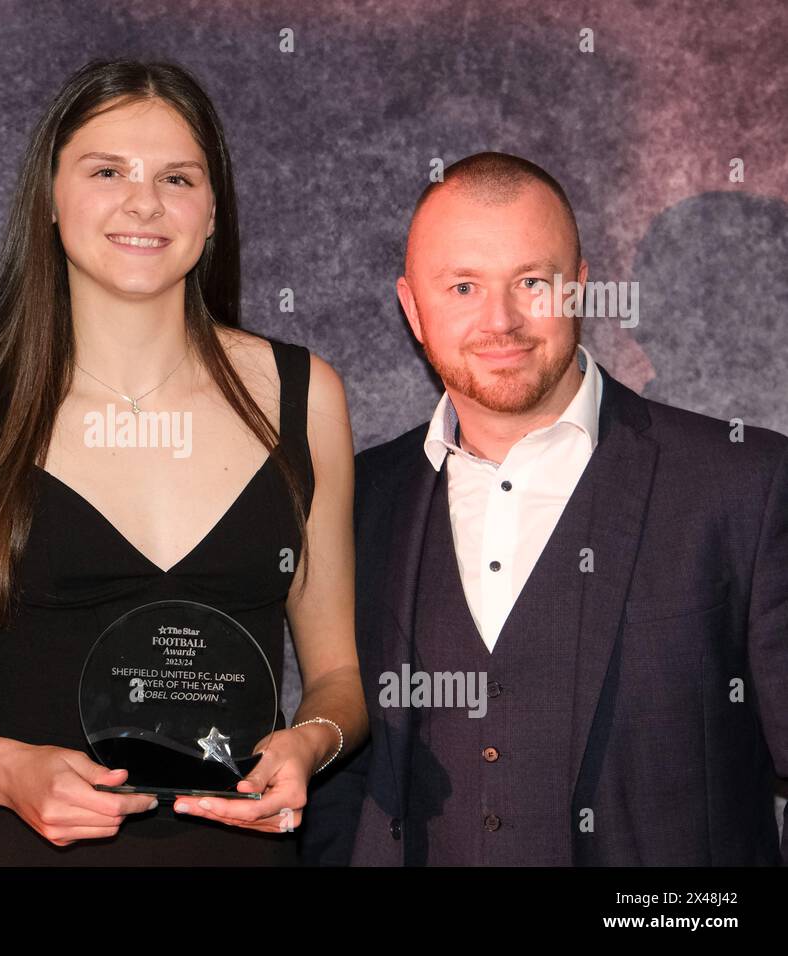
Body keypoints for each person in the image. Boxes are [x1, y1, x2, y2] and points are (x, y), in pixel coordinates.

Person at [0, 59, 366, 865]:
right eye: (106, 171)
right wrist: (3, 769)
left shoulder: (303, 398)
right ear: (51, 201)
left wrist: (310, 743)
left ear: (211, 214)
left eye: (177, 177)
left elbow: (339, 675)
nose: (144, 201)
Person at [301, 151, 788, 866]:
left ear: (581, 290)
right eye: (463, 285)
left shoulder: (747, 485)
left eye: (532, 281)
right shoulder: (360, 499)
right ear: (412, 307)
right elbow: (345, 772)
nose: (500, 320)